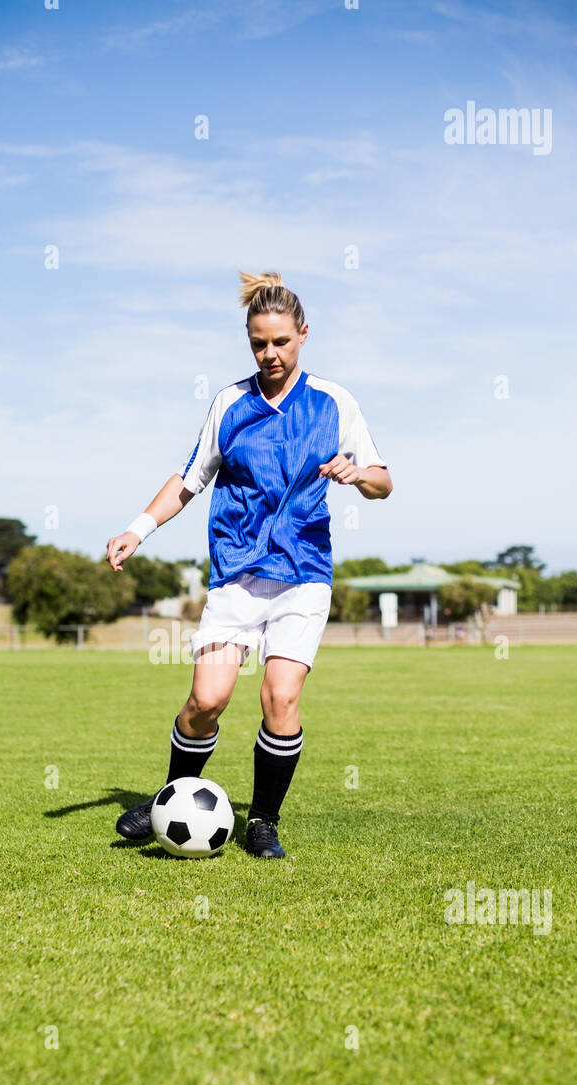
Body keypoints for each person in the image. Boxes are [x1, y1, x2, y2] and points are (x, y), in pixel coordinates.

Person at [105, 270, 392, 858]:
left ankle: (262, 820)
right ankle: (171, 798)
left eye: (281, 341)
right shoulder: (230, 403)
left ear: (303, 335)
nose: (270, 353)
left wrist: (357, 473)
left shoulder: (336, 402)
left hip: (304, 575)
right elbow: (189, 480)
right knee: (207, 700)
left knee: (280, 697)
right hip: (236, 575)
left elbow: (384, 481)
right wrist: (138, 530)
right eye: (258, 342)